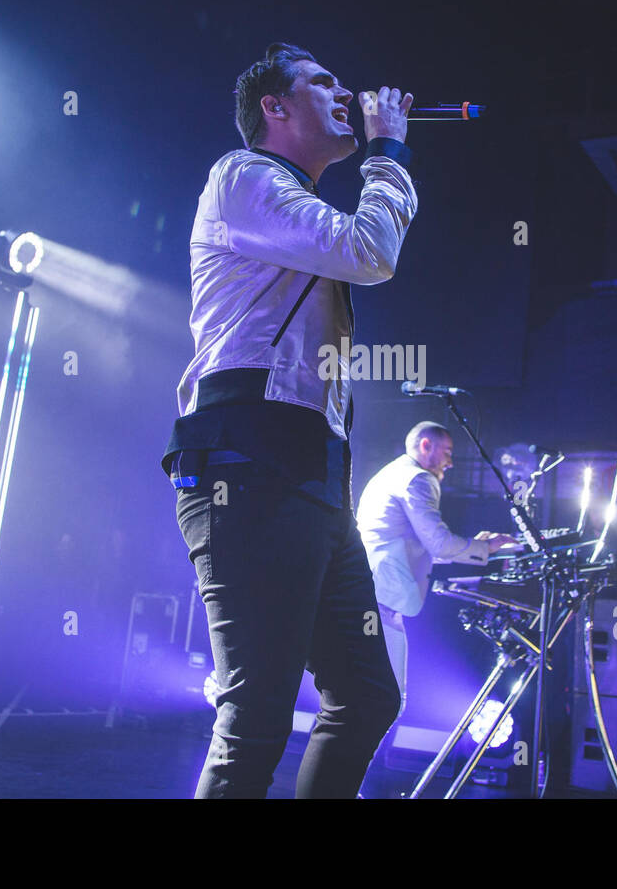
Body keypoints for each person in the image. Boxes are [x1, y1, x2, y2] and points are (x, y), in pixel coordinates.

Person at [162, 42, 415, 798]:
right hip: (250, 469)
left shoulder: (293, 208)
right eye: (322, 82)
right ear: (274, 108)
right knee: (258, 716)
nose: (346, 91)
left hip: (312, 481)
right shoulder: (243, 177)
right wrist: (389, 153)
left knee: (368, 694)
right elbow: (369, 249)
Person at [356, 421, 516, 715]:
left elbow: (422, 546)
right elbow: (439, 544)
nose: (451, 462)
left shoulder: (391, 473)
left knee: (368, 697)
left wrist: (474, 547)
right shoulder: (419, 479)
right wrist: (485, 548)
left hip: (369, 594)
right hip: (383, 598)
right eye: (447, 451)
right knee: (386, 701)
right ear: (426, 446)